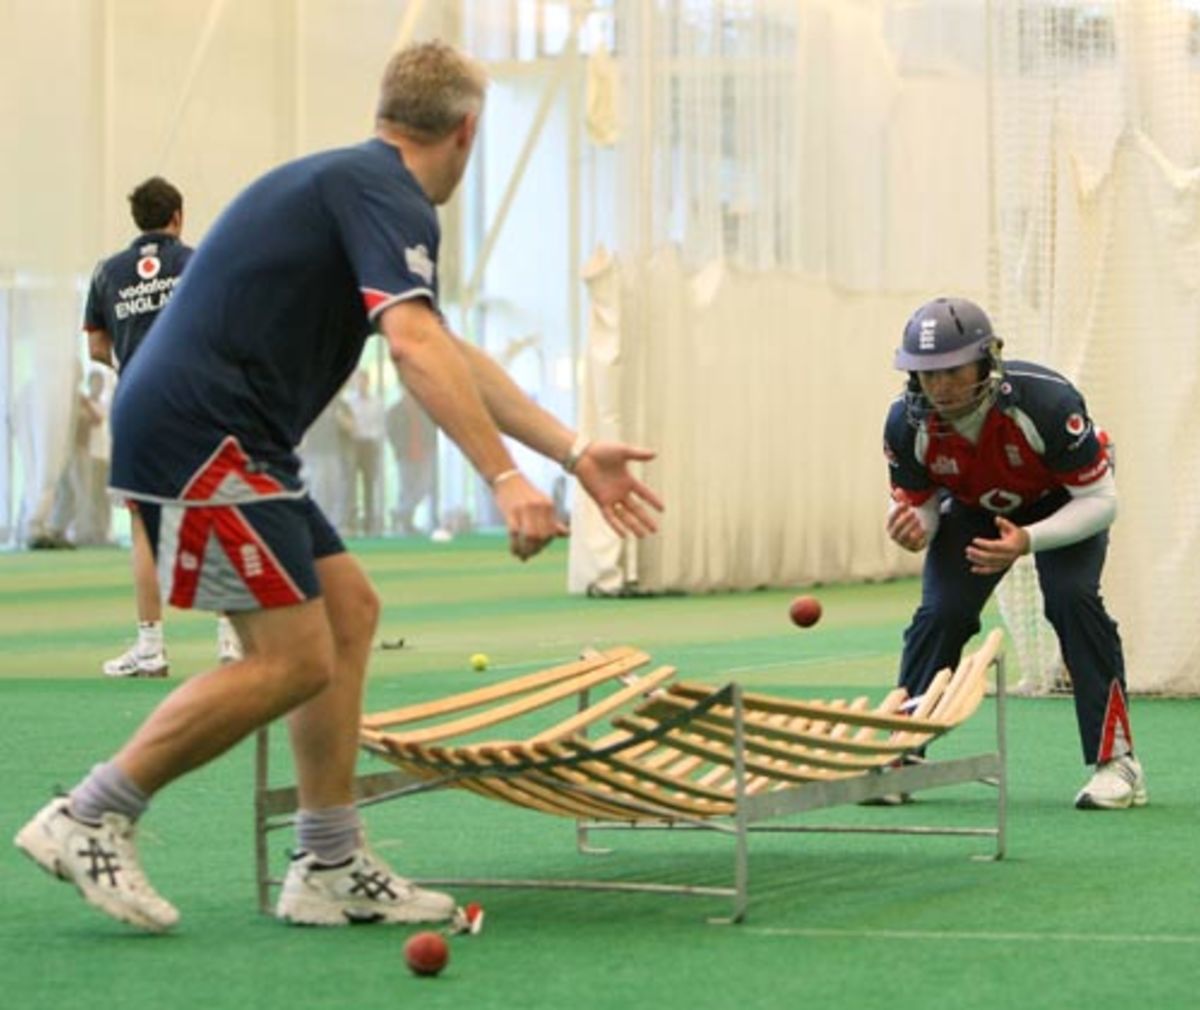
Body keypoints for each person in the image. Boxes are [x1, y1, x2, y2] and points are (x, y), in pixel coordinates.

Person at [14, 40, 663, 934]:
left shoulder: (351, 184)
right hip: (205, 435)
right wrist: (505, 478)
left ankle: (326, 858)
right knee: (291, 657)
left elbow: (445, 345)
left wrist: (574, 448)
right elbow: (415, 347)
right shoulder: (386, 194)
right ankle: (90, 813)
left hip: (232, 436)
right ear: (466, 132)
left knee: (348, 609)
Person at [882, 296, 1145, 811]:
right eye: (926, 373)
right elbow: (925, 505)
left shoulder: (1047, 404)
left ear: (987, 360)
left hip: (1063, 503)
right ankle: (901, 753)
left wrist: (1028, 540)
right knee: (942, 612)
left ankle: (1118, 763)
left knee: (1072, 600)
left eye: (952, 371)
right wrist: (917, 525)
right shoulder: (904, 423)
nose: (939, 387)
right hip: (975, 508)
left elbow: (1101, 501)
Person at [82, 176, 240, 677]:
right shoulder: (198, 261)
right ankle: (231, 641)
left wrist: (132, 362)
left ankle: (151, 648)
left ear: (138, 220)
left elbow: (96, 348)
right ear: (178, 217)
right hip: (198, 399)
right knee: (213, 511)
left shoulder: (108, 271)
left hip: (138, 405)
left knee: (144, 526)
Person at [385, 388, 437, 534]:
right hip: (405, 455)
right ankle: (406, 523)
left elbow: (432, 428)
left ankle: (400, 512)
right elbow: (391, 432)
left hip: (424, 454)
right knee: (407, 489)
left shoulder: (424, 407)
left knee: (423, 486)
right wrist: (398, 449)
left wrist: (430, 446)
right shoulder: (395, 410)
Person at [344, 369, 386, 536]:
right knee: (350, 485)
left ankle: (370, 522)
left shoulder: (376, 402)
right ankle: (352, 522)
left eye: (364, 380)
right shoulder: (349, 402)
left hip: (370, 445)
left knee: (369, 484)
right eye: (358, 381)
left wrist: (376, 443)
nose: (361, 384)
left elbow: (380, 425)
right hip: (354, 445)